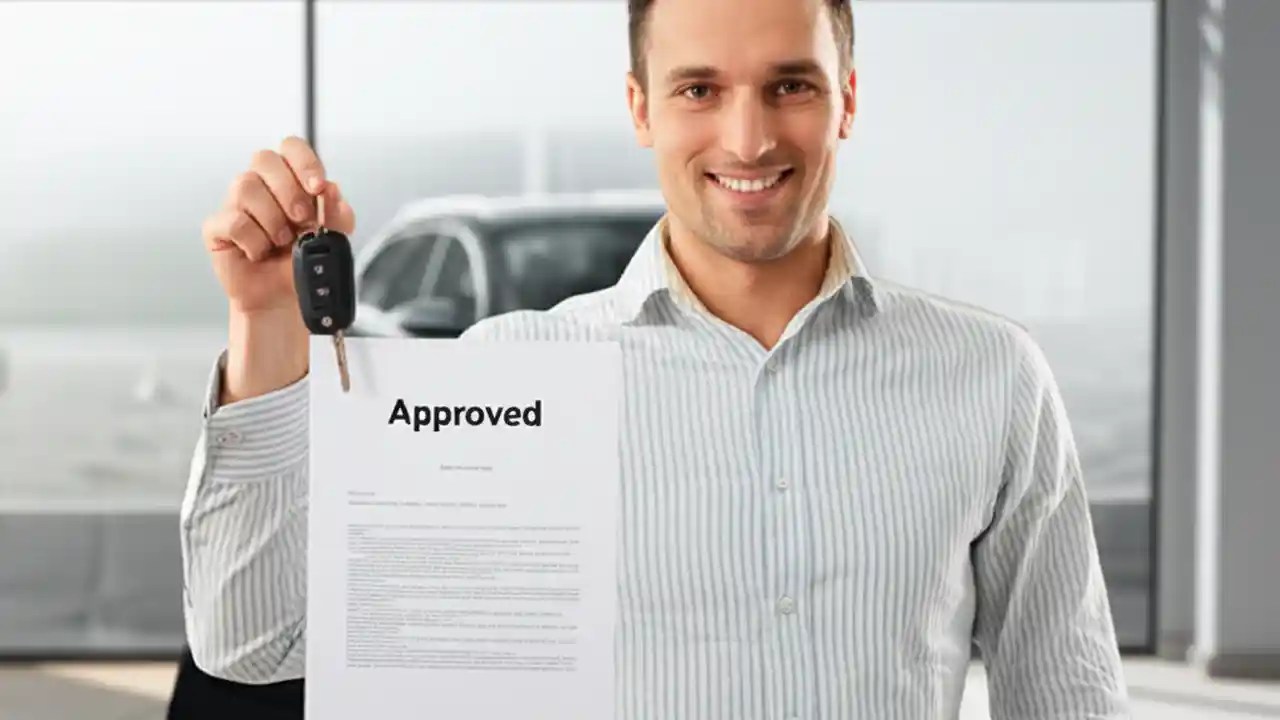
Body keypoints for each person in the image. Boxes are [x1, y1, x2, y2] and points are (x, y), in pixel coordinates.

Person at [181, 0, 1130, 717]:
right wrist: (265, 325)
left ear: (847, 101)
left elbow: (1067, 698)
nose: (749, 138)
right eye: (699, 89)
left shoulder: (991, 378)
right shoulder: (507, 379)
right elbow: (255, 643)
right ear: (641, 109)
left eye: (790, 85)